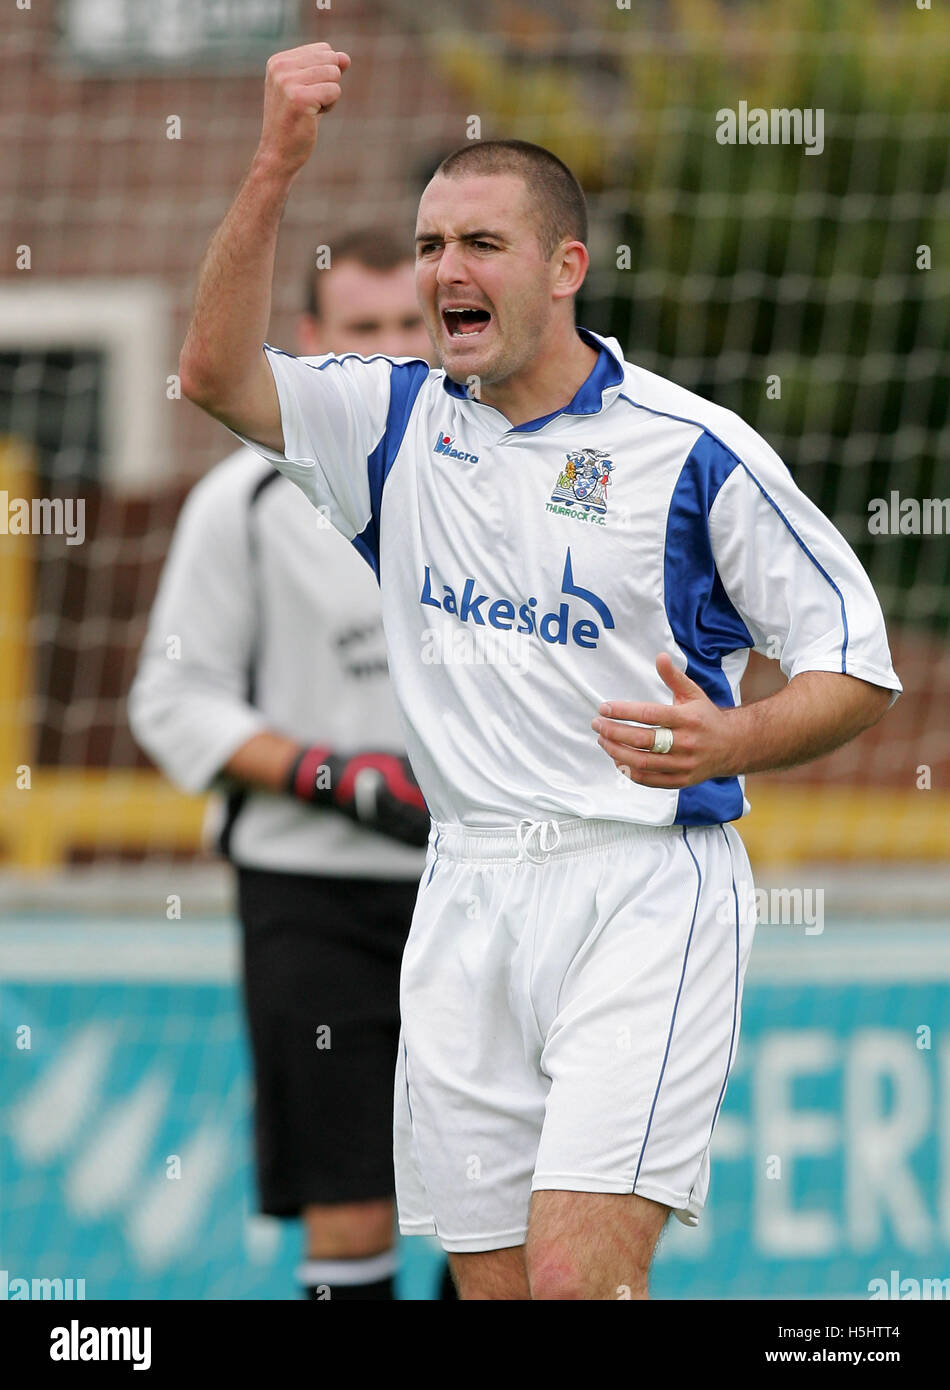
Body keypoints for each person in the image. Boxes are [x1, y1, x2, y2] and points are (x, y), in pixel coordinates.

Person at [176, 43, 901, 1300]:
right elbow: (214, 377)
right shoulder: (392, 421)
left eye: (480, 244)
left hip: (638, 889)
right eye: (430, 243)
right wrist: (271, 166)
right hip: (460, 892)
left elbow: (854, 662)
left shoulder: (690, 451)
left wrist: (733, 742)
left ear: (565, 268)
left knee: (577, 1285)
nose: (445, 268)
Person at [129, 227, 457, 1301]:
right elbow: (172, 700)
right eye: (365, 328)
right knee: (351, 1200)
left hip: (487, 888)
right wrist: (339, 777)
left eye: (414, 324)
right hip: (312, 900)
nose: (395, 347)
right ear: (312, 340)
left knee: (499, 1207)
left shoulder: (506, 481)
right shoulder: (245, 500)